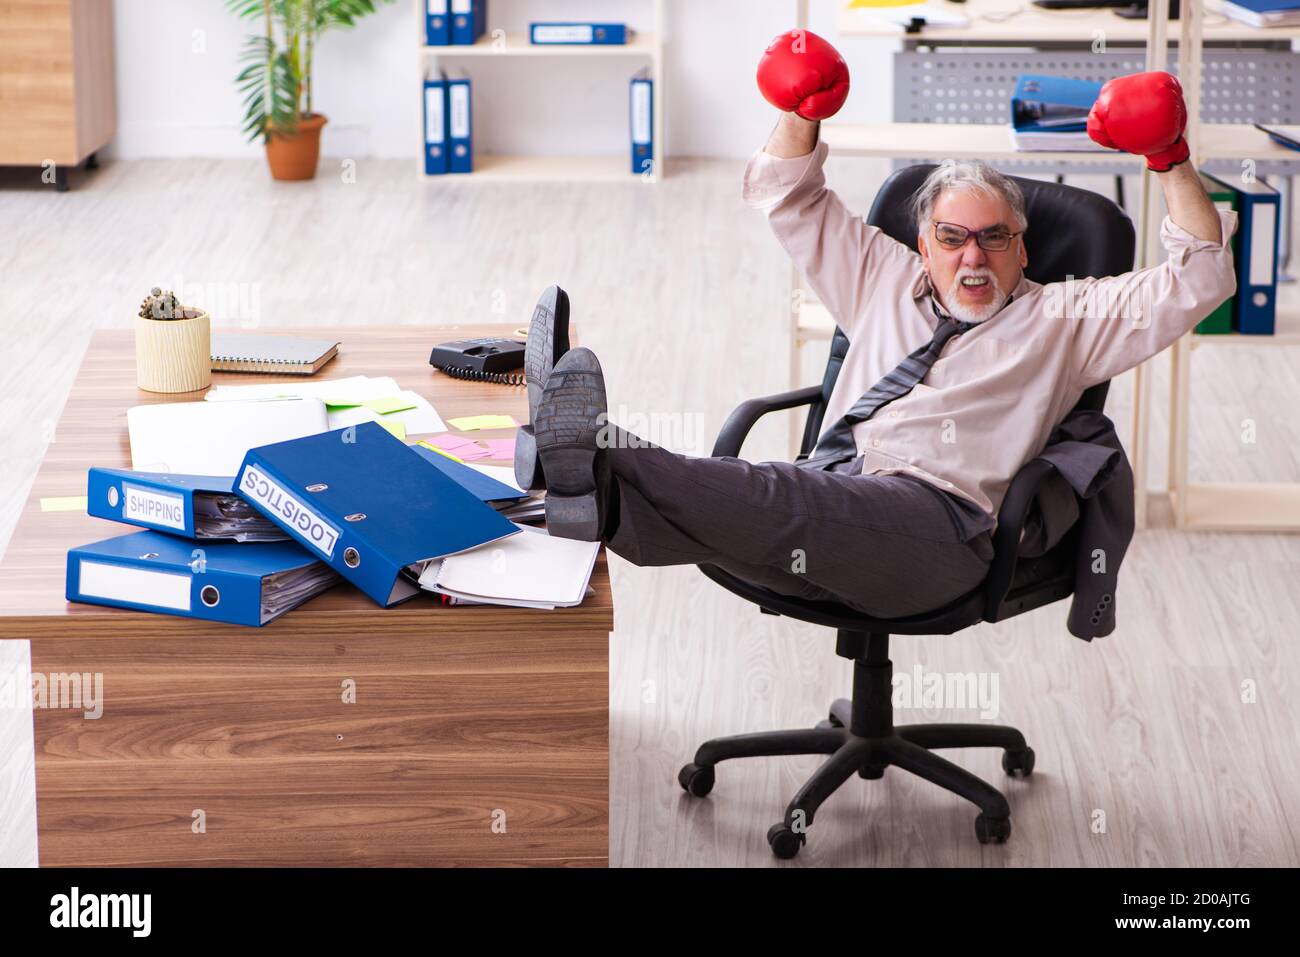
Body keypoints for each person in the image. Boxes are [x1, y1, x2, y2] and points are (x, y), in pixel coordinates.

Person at [511, 31, 1237, 620]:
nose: (972, 256)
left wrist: (1170, 160)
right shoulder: (881, 274)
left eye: (995, 238)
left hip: (937, 535)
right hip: (831, 513)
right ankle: (583, 481)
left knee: (776, 493)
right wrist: (801, 110)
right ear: (925, 246)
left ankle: (580, 456)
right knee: (780, 498)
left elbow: (1201, 276)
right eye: (951, 238)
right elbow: (786, 192)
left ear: (1024, 246)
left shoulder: (1066, 318)